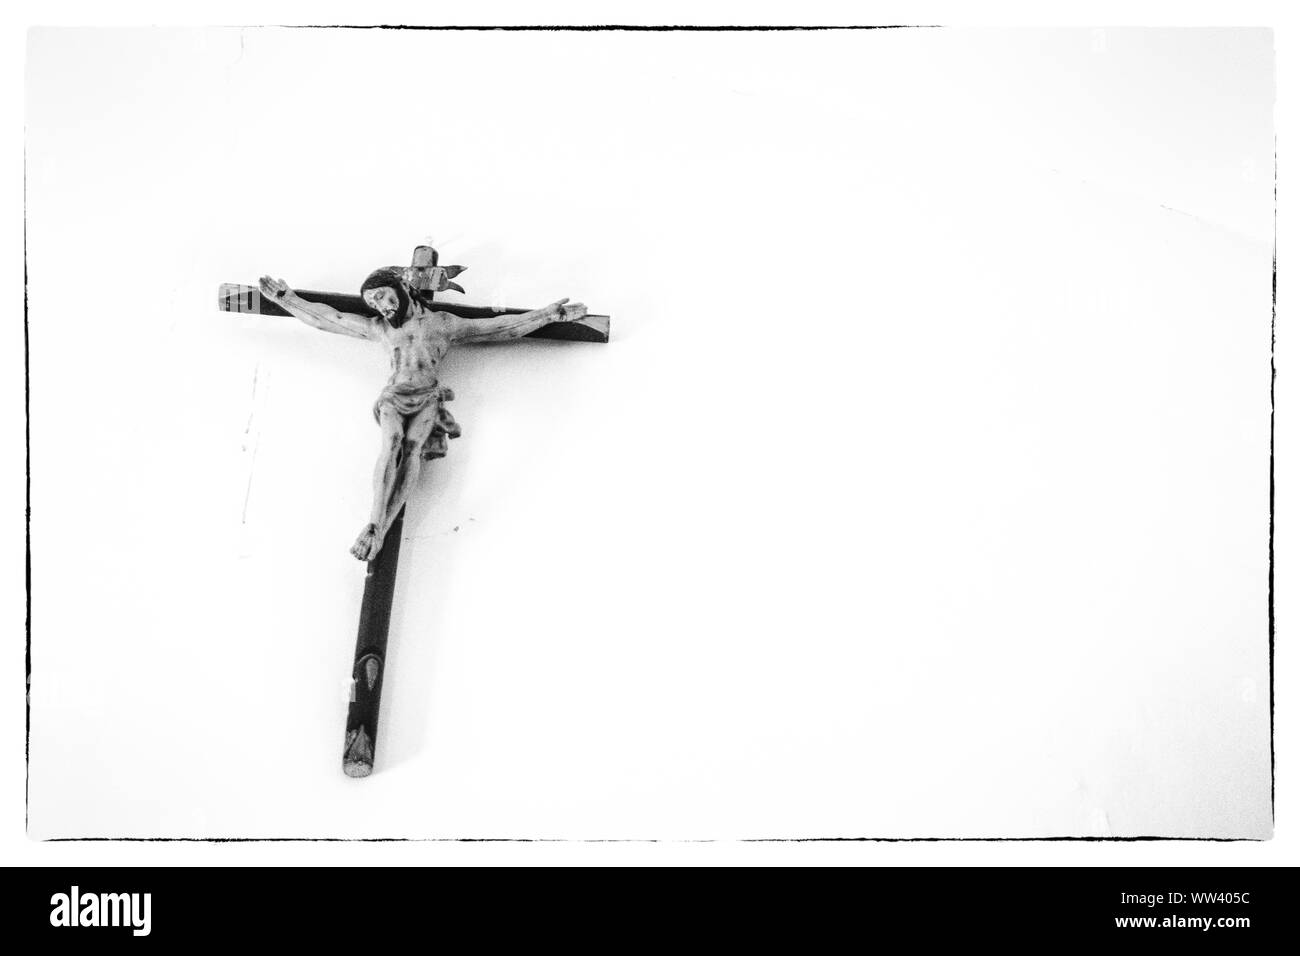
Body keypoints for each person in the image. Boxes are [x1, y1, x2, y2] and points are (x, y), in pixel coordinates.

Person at [257, 269, 587, 560]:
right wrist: (287, 299)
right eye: (374, 304)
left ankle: (381, 528)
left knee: (412, 451)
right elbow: (330, 319)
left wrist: (546, 315)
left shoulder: (443, 325)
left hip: (427, 396)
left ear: (401, 285)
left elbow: (498, 328)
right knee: (393, 443)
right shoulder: (382, 329)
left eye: (383, 297)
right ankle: (374, 520)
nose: (382, 307)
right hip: (394, 396)